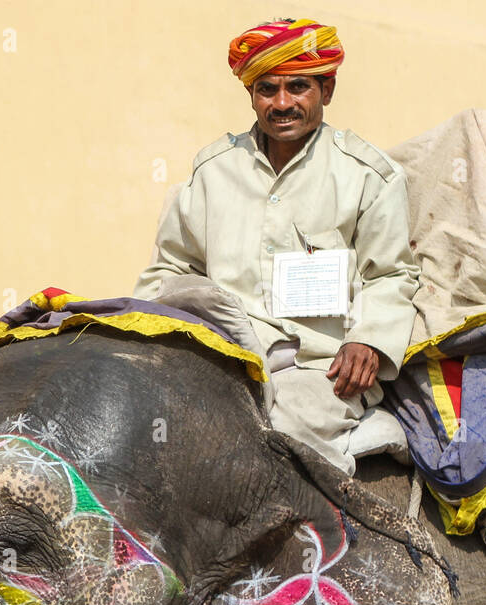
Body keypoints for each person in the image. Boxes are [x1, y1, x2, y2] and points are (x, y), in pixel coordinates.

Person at [132, 18, 419, 477]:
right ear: (251, 94)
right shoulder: (212, 173)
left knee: (277, 446)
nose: (282, 103)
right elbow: (171, 267)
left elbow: (392, 273)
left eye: (298, 87)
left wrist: (368, 339)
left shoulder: (368, 175)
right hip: (224, 359)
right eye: (267, 89)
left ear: (327, 90)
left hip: (320, 368)